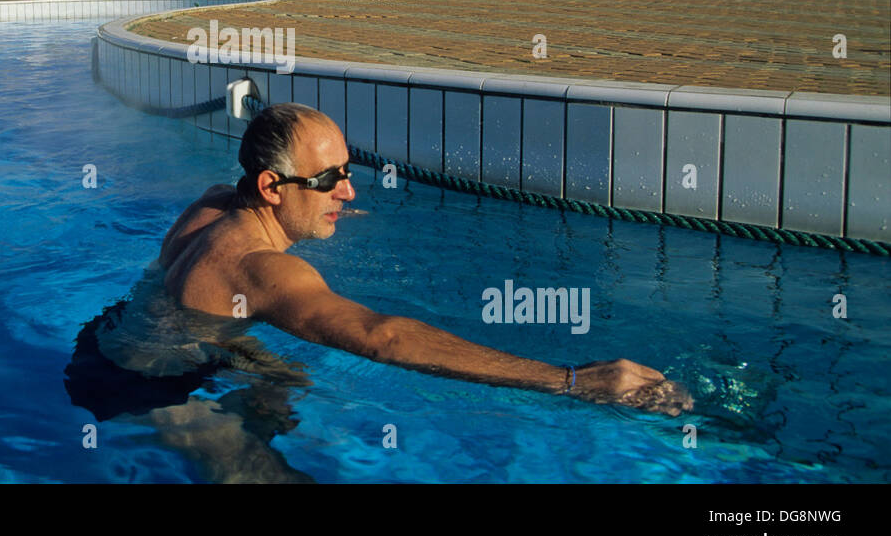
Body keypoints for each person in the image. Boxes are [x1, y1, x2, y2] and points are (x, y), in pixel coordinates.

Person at [157, 103, 692, 416]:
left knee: (289, 380)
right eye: (328, 181)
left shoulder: (211, 207)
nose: (348, 194)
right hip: (154, 396)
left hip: (151, 339)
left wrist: (316, 204)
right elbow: (383, 336)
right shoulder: (263, 269)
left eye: (348, 171)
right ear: (271, 187)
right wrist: (572, 380)